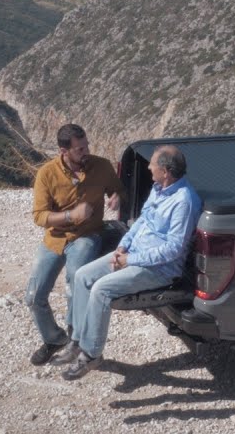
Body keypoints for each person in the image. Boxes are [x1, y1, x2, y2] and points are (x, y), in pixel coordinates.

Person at [60, 144, 202, 380]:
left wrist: (130, 260)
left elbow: (174, 249)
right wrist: (122, 246)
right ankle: (77, 340)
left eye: (153, 163)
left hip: (158, 269)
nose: (148, 166)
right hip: (131, 254)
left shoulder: (184, 201)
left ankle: (91, 354)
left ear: (165, 171)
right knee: (82, 276)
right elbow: (141, 222)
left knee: (101, 290)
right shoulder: (159, 189)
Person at [25, 123, 122, 366]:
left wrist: (117, 195)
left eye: (86, 145)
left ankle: (75, 340)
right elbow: (39, 216)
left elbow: (119, 189)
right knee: (34, 296)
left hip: (87, 236)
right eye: (79, 149)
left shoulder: (101, 166)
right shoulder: (47, 173)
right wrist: (70, 216)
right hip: (55, 239)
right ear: (63, 151)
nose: (86, 151)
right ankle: (53, 339)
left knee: (75, 282)